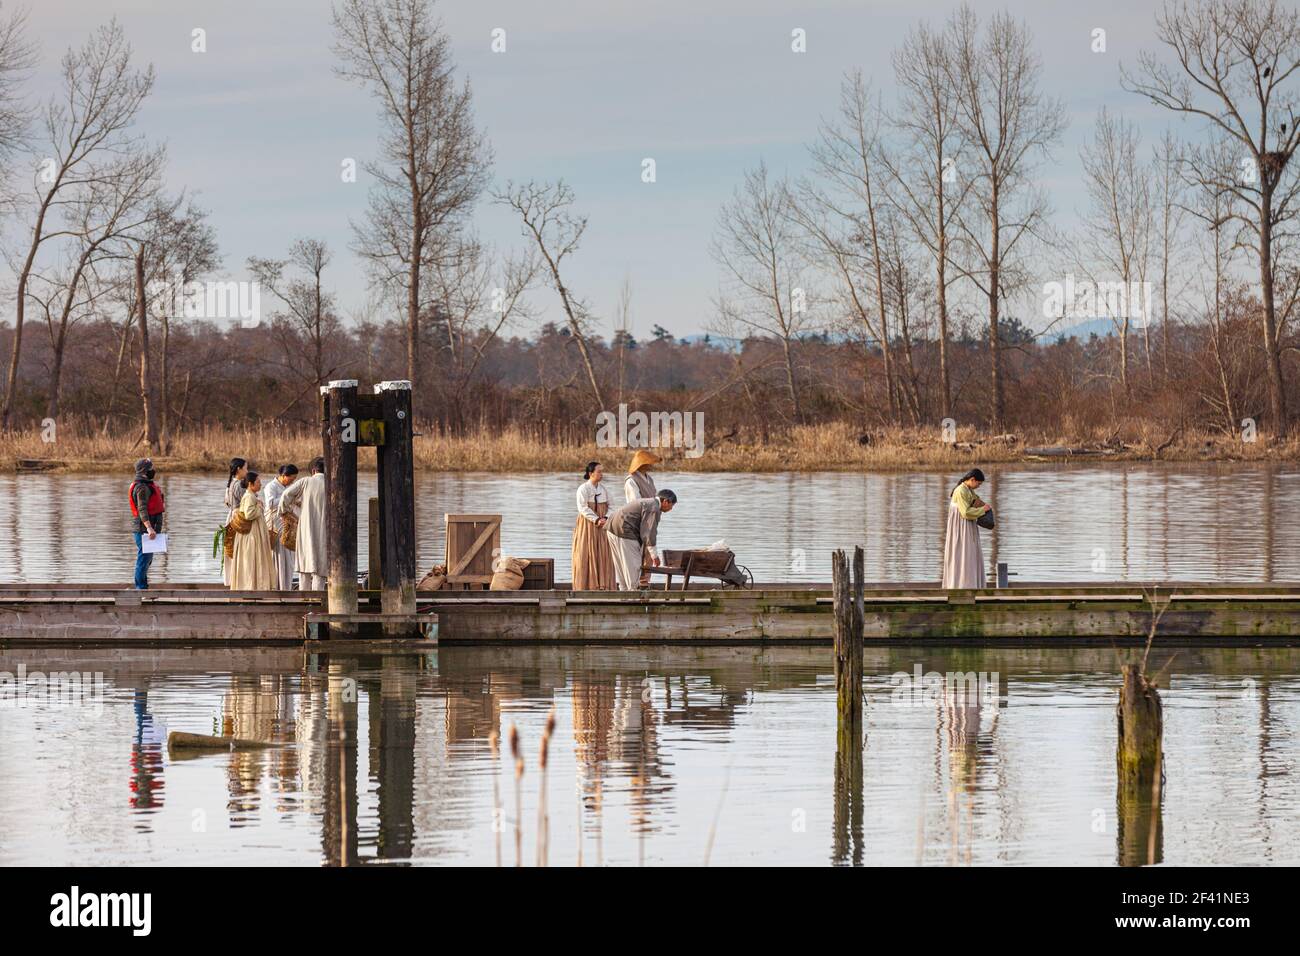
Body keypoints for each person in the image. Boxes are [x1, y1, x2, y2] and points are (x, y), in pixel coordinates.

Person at [606, 489, 677, 591]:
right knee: (634, 564)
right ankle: (633, 593)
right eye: (672, 505)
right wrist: (654, 556)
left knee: (621, 564)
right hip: (624, 530)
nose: (671, 509)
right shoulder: (654, 508)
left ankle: (624, 592)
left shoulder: (649, 502)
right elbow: (649, 533)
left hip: (612, 527)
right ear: (665, 501)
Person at [279, 456, 327, 592]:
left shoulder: (305, 481)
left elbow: (285, 495)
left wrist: (284, 512)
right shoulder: (332, 484)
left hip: (306, 528)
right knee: (320, 568)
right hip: (325, 530)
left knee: (304, 567)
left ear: (313, 470)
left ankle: (303, 600)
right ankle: (317, 601)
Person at [942, 468, 992, 589]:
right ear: (972, 480)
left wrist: (983, 506)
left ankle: (972, 585)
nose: (979, 486)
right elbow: (965, 513)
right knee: (962, 553)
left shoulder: (968, 490)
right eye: (978, 483)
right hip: (960, 527)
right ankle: (961, 586)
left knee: (970, 553)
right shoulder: (960, 491)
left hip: (967, 525)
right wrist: (982, 510)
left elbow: (975, 501)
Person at [572, 461, 616, 590]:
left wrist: (606, 517)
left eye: (602, 471)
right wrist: (596, 519)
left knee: (602, 553)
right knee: (585, 552)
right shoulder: (583, 489)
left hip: (603, 525)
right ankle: (585, 585)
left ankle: (603, 585)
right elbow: (582, 507)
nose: (602, 474)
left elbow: (612, 505)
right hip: (587, 525)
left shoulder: (604, 489)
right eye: (599, 471)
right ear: (591, 473)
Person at [228, 472, 276, 590]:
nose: (260, 484)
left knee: (253, 559)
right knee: (252, 559)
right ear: (251, 484)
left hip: (254, 531)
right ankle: (252, 587)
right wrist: (259, 507)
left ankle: (253, 586)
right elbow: (249, 515)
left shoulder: (251, 495)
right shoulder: (249, 496)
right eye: (258, 482)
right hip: (252, 533)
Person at [624, 449, 662, 586]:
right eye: (649, 462)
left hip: (649, 519)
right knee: (638, 554)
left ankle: (645, 582)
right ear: (642, 464)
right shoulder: (631, 481)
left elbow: (655, 497)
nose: (651, 465)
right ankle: (635, 584)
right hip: (637, 520)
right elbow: (635, 502)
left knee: (648, 553)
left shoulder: (649, 479)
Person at [129, 457, 164, 590]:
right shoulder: (141, 487)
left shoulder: (148, 484)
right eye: (150, 468)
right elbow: (142, 509)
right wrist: (149, 528)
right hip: (143, 529)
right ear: (144, 471)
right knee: (143, 559)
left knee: (147, 560)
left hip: (150, 529)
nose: (153, 470)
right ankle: (140, 589)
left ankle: (143, 586)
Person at [263, 464, 299, 590]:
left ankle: (286, 586)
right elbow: (270, 503)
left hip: (287, 523)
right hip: (275, 523)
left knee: (288, 556)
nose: (293, 481)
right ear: (283, 476)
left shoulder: (288, 486)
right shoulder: (271, 486)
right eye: (291, 478)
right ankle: (276, 587)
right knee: (277, 555)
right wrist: (287, 496)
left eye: (294, 479)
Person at [222, 457, 248, 585]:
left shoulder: (230, 484)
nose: (247, 471)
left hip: (231, 517)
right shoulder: (238, 485)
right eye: (246, 468)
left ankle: (233, 580)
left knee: (233, 550)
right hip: (238, 518)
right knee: (239, 550)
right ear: (239, 469)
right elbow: (247, 503)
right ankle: (239, 580)